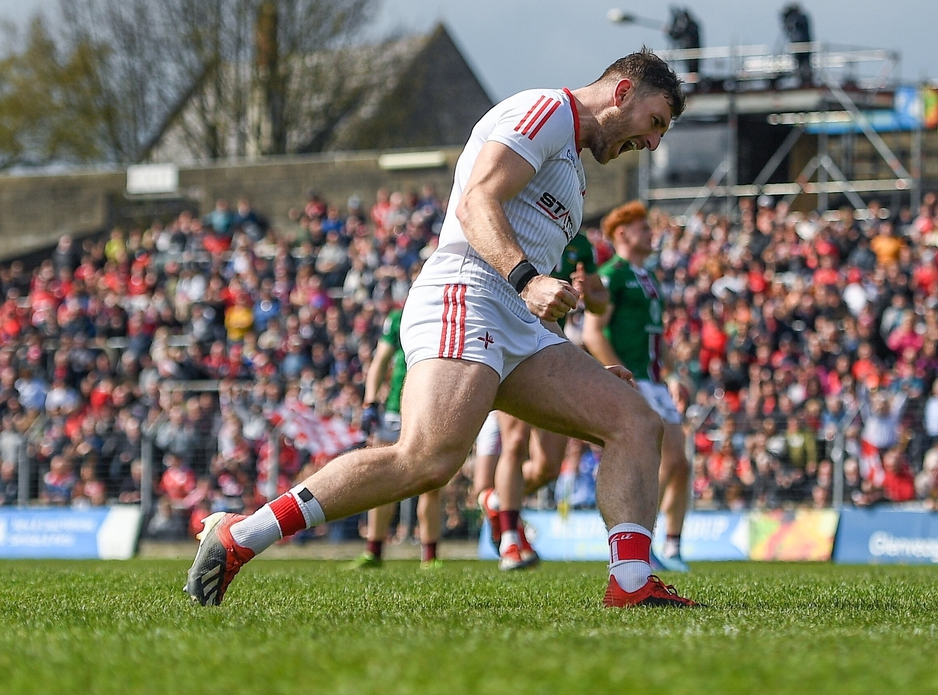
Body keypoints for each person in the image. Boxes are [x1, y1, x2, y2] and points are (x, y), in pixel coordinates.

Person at [186, 50, 697, 608]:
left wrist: (579, 357)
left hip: (517, 322)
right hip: (467, 291)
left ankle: (630, 585)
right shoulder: (547, 110)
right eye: (654, 124)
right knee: (427, 459)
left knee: (632, 420)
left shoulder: (572, 167)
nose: (651, 144)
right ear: (621, 94)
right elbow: (479, 201)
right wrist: (528, 280)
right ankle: (243, 535)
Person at [484, 229, 609, 571]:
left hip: (550, 350)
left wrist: (588, 293)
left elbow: (600, 304)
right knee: (515, 441)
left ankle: (497, 499)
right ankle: (510, 539)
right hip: (509, 341)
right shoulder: (520, 223)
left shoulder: (581, 243)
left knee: (549, 466)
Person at [584, 201, 692, 573]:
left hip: (657, 379)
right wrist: (620, 374)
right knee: (662, 460)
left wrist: (675, 375)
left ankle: (672, 546)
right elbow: (592, 331)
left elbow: (658, 336)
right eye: (643, 228)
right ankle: (641, 542)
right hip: (636, 379)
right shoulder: (611, 274)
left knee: (680, 464)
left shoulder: (648, 277)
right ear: (622, 234)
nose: (650, 233)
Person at [345, 299, 445, 570]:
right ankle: (374, 550)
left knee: (433, 482)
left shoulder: (448, 313)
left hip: (432, 407)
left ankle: (430, 555)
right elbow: (381, 360)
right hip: (395, 408)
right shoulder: (400, 317)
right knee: (384, 479)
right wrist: (369, 402)